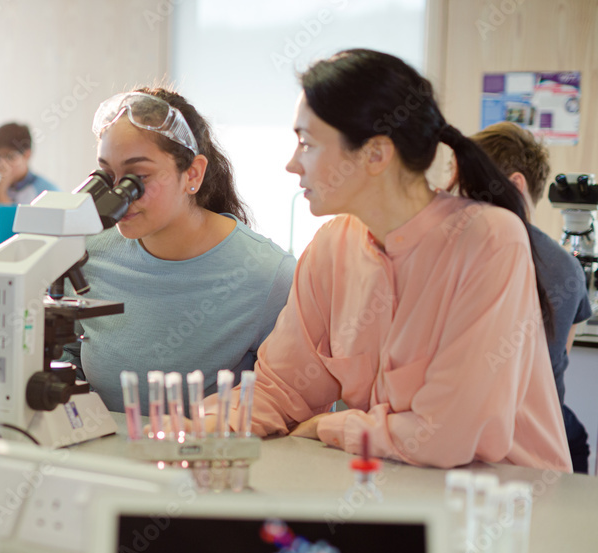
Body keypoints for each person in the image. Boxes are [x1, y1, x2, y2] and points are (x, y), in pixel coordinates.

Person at [208, 49, 571, 472]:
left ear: (376, 154)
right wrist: (207, 423)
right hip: (400, 491)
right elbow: (281, 388)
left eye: (306, 143)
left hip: (513, 506)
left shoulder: (490, 239)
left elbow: (445, 436)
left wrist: (333, 426)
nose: (292, 163)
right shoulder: (332, 245)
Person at [62, 87, 295, 414]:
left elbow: (293, 401)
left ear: (193, 175)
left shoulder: (268, 275)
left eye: (137, 177)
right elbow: (69, 353)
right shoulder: (88, 252)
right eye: (107, 175)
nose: (117, 194)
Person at [471, 121, 592, 473]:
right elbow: (561, 354)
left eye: (470, 186)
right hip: (542, 437)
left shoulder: (467, 251)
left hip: (491, 434)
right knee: (574, 435)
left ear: (514, 185)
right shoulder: (568, 268)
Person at [0, 122, 58, 239]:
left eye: (9, 157)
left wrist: (2, 195)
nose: (2, 165)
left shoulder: (47, 193)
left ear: (27, 155)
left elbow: (13, 241)